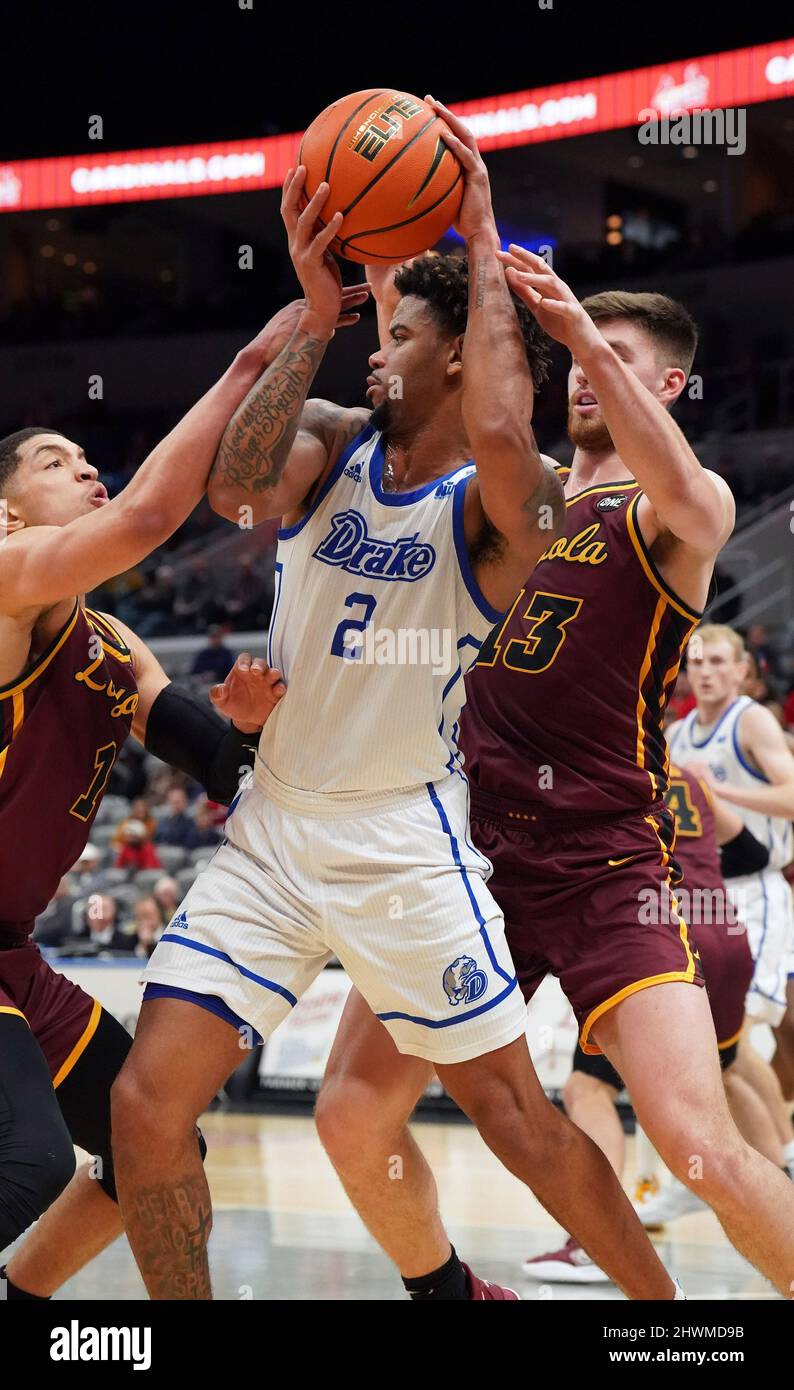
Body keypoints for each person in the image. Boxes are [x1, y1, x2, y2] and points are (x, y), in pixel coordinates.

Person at [111, 103, 677, 1303]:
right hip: (274, 824)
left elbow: (498, 420)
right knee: (145, 1101)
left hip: (401, 837)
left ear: (463, 353)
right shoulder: (327, 438)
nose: (379, 351)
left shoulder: (500, 503)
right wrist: (320, 316)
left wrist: (476, 247)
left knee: (516, 1121)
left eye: (400, 334)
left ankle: (665, 1321)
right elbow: (233, 491)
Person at [313, 242, 794, 1298]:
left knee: (698, 1145)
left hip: (603, 860)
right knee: (350, 1108)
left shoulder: (673, 504)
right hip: (461, 857)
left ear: (664, 383)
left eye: (613, 355)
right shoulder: (506, 501)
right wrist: (400, 272)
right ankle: (452, 1291)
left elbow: (694, 501)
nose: (584, 372)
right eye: (577, 356)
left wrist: (573, 327)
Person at [0, 293, 322, 1297]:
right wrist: (251, 363)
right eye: (55, 462)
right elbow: (146, 518)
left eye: (85, 456)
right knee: (31, 1162)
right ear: (6, 513)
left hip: (12, 953)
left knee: (153, 1146)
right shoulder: (3, 580)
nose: (87, 466)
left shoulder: (108, 641)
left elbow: (215, 760)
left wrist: (248, 721)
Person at [523, 764, 764, 1282]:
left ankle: (592, 1244)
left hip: (659, 934)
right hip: (724, 931)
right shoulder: (694, 779)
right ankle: (780, 1205)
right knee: (728, 1074)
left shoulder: (594, 769)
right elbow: (753, 854)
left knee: (587, 1089)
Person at [667, 623, 794, 1195]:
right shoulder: (676, 733)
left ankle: (777, 1162)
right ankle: (778, 1158)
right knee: (728, 1043)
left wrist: (719, 796)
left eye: (718, 661)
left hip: (757, 888)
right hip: (705, 894)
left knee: (737, 1040)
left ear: (742, 669)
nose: (707, 672)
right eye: (697, 662)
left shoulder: (751, 720)